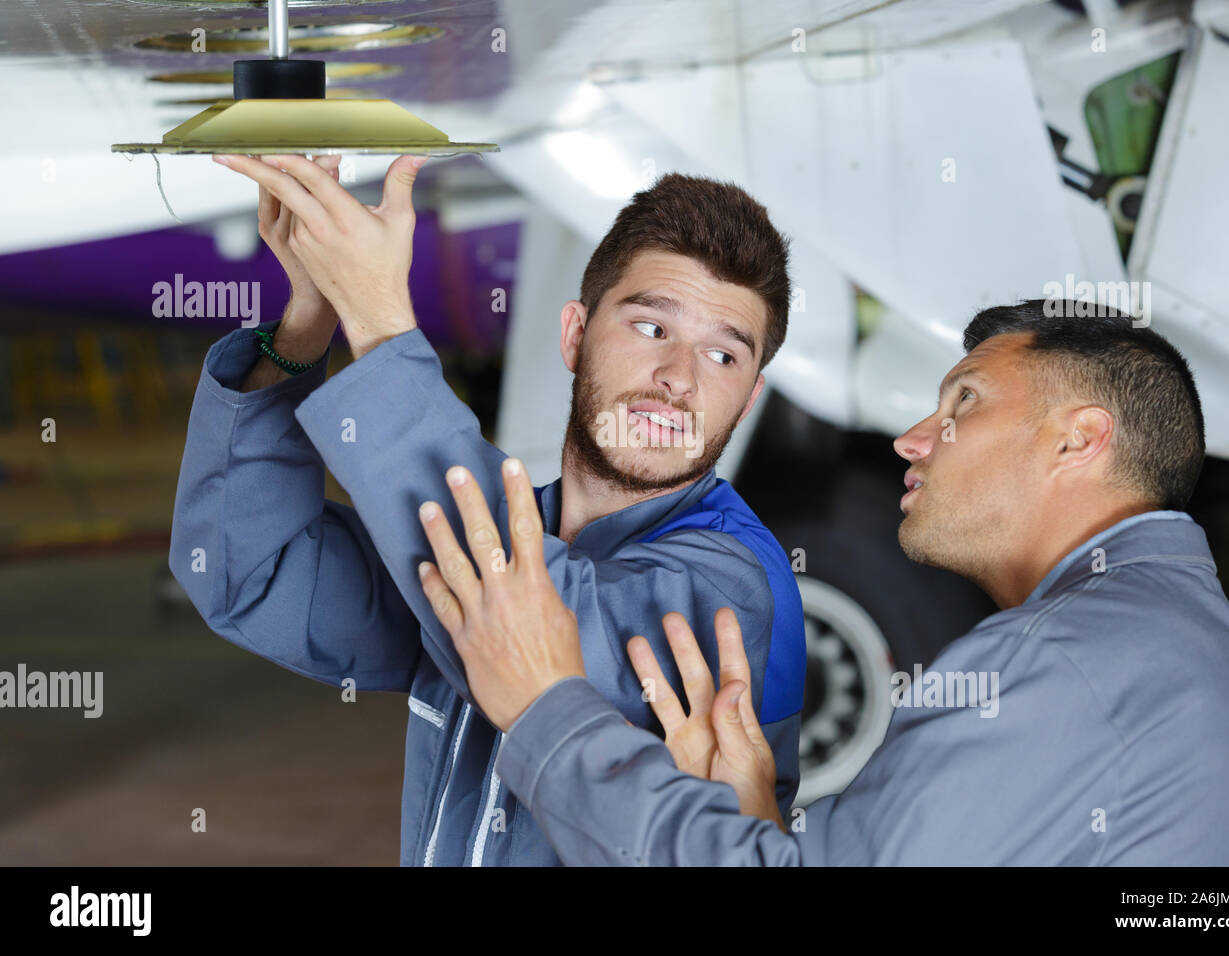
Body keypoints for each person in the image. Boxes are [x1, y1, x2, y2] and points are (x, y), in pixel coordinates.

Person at [416, 301, 1229, 865]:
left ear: (1078, 440)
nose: (913, 439)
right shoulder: (1215, 663)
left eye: (963, 406)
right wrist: (757, 828)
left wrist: (543, 706)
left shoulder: (1064, 667)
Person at [168, 156, 807, 866]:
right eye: (653, 329)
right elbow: (254, 576)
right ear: (573, 336)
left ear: (748, 401)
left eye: (723, 356)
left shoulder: (733, 586)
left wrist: (378, 317)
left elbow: (535, 614)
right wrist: (308, 327)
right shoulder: (500, 535)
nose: (680, 380)